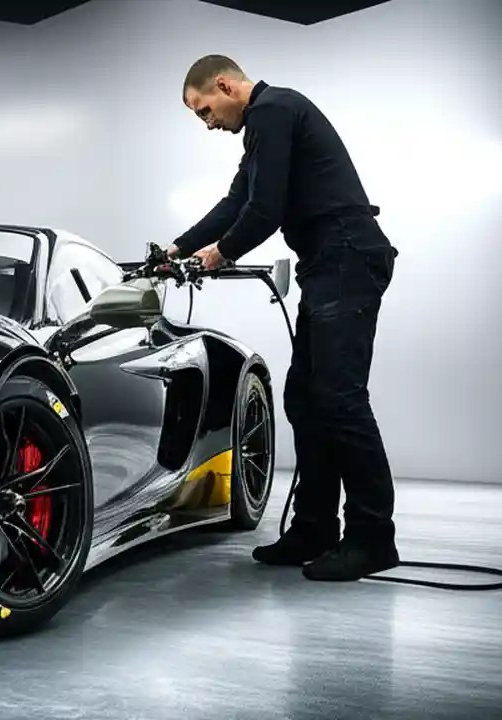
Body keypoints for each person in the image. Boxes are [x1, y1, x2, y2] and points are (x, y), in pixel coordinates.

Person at [168, 55, 401, 581]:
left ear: (225, 85)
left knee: (340, 400)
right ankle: (315, 528)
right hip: (327, 263)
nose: (208, 124)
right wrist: (178, 247)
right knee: (305, 398)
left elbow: (265, 209)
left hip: (346, 256)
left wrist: (219, 254)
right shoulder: (265, 125)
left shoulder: (274, 110)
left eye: (205, 110)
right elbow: (238, 201)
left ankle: (372, 537)